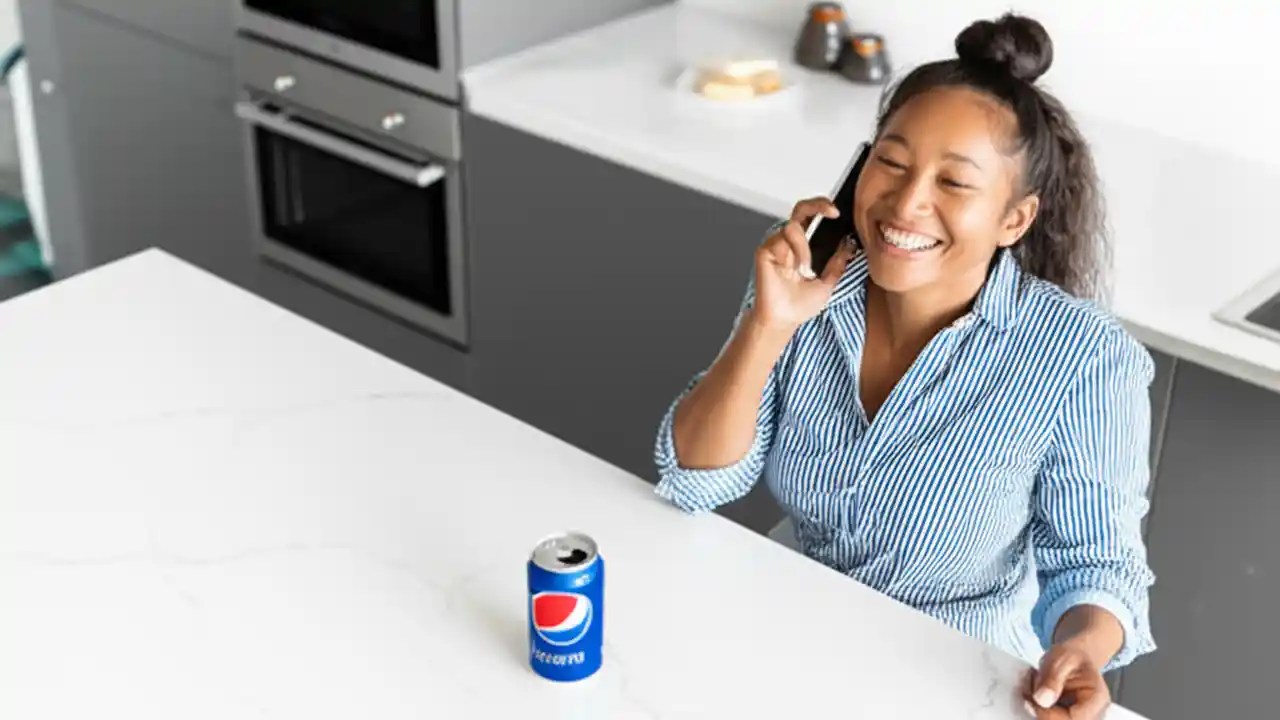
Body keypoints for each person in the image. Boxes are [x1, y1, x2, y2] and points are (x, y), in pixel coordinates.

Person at [653, 13, 1154, 719]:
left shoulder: (1084, 360)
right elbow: (694, 483)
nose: (907, 203)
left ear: (1014, 219)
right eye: (890, 162)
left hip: (951, 679)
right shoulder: (808, 279)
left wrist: (1079, 648)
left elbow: (1098, 565)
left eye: (954, 183)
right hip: (781, 632)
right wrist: (768, 325)